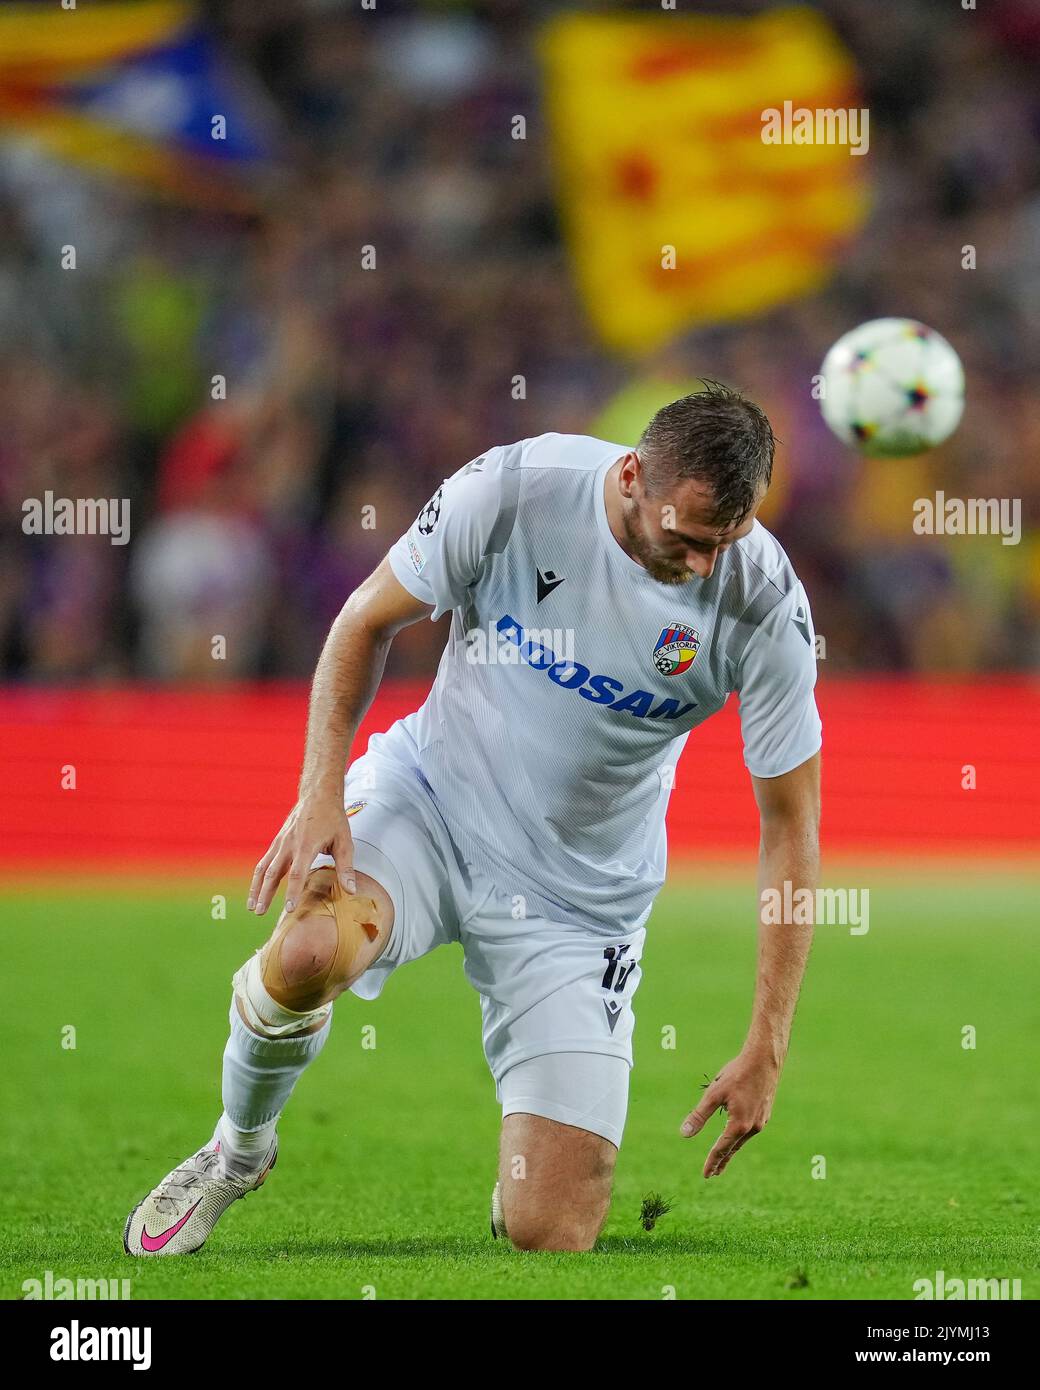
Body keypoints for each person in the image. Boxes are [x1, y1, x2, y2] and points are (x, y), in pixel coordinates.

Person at [124, 383, 822, 1256]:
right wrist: (320, 793)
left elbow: (791, 825)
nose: (705, 567)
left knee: (551, 1231)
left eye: (727, 542)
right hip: (434, 805)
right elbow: (363, 621)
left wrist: (767, 1045)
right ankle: (238, 1149)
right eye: (687, 539)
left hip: (581, 902)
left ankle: (531, 1179)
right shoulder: (512, 492)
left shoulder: (763, 605)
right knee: (304, 954)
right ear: (634, 475)